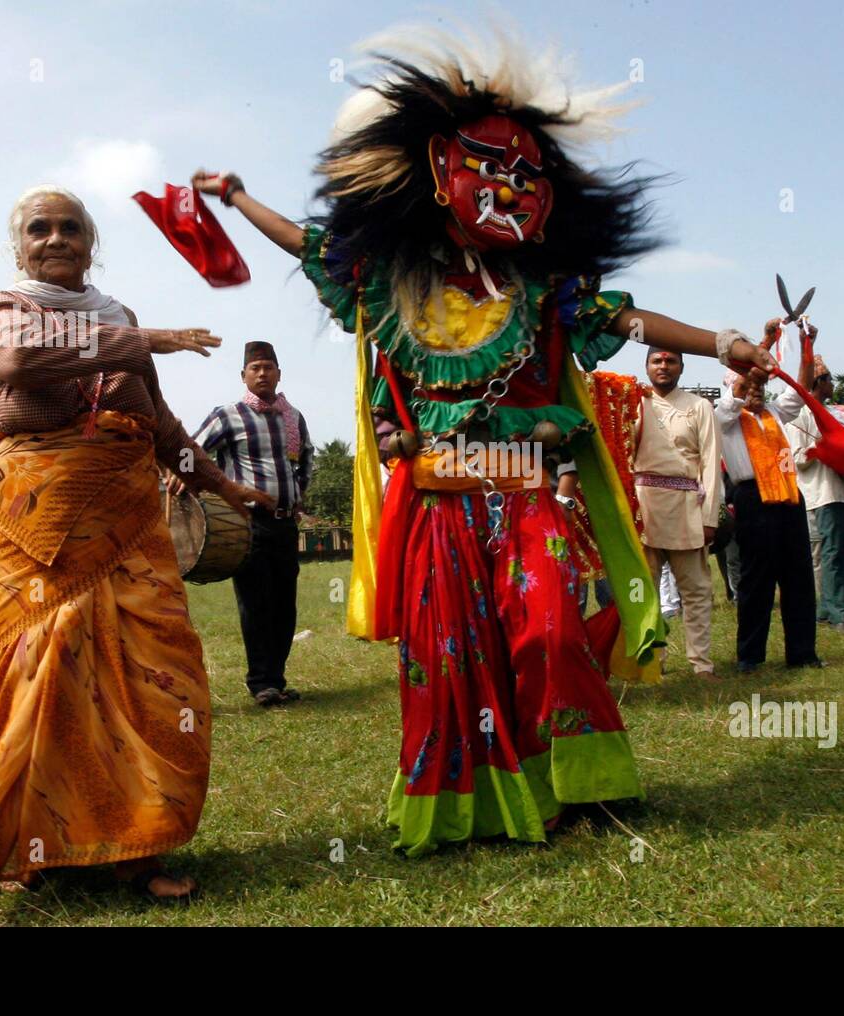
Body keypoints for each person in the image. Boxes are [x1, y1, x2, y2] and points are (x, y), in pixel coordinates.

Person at [191, 24, 777, 855]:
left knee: (553, 632)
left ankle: (578, 783)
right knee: (446, 660)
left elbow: (625, 319)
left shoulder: (542, 285)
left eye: (527, 174)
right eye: (490, 167)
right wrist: (238, 196)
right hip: (438, 505)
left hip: (526, 492)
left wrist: (725, 343)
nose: (510, 187)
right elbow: (307, 243)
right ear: (439, 170)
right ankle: (471, 799)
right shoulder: (390, 282)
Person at [0, 186, 271, 900]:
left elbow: (160, 425)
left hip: (130, 523)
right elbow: (20, 362)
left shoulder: (118, 316)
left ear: (91, 245)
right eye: (39, 228)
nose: (55, 238)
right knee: (43, 676)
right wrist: (145, 341)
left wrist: (224, 485)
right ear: (18, 246)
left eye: (71, 228)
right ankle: (33, 848)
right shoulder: (3, 310)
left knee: (155, 677)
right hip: (38, 526)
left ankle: (137, 850)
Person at [185, 341, 314, 707]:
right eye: (255, 368)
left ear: (279, 374)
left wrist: (297, 491)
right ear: (243, 376)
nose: (262, 374)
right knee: (256, 602)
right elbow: (190, 451)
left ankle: (276, 679)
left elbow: (306, 458)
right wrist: (186, 478)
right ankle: (262, 683)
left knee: (284, 605)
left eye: (268, 367)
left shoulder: (293, 417)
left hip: (285, 525)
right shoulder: (228, 416)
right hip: (247, 523)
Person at [715, 363, 821, 672]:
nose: (756, 391)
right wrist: (751, 364)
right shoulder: (724, 417)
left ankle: (802, 654)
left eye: (761, 385)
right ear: (735, 389)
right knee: (756, 579)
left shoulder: (775, 412)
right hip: (752, 498)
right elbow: (733, 398)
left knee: (799, 577)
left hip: (789, 495)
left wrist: (805, 348)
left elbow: (800, 389)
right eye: (750, 385)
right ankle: (750, 656)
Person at [633, 347, 723, 681]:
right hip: (644, 507)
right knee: (644, 590)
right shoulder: (633, 404)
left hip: (687, 507)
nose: (663, 366)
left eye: (671, 361)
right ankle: (651, 660)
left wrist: (710, 518)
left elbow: (711, 464)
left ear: (682, 367)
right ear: (646, 367)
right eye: (656, 361)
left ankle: (701, 664)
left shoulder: (700, 407)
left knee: (696, 591)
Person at [786, 350, 844, 632]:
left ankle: (827, 610)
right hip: (821, 494)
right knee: (833, 554)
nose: (833, 385)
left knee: (841, 553)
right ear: (819, 382)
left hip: (839, 492)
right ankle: (839, 615)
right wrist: (821, 447)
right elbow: (796, 457)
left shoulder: (831, 414)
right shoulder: (800, 415)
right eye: (829, 380)